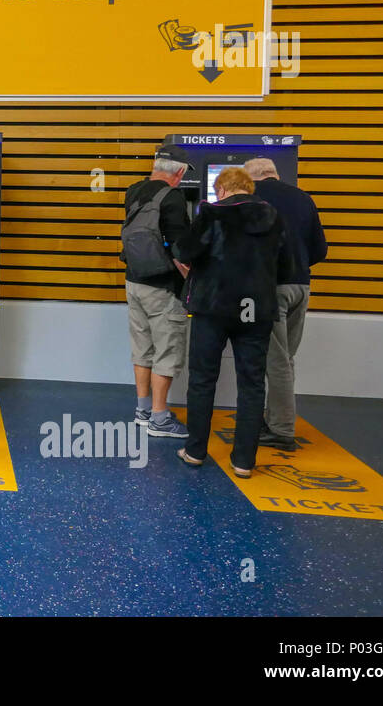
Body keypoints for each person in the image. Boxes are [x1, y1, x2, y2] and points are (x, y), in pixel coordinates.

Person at [173, 167, 294, 477]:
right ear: (248, 188)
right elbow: (286, 265)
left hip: (213, 307)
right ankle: (243, 461)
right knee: (252, 384)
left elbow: (184, 249)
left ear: (222, 189)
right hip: (254, 309)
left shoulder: (211, 213)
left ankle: (196, 450)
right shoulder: (273, 216)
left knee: (202, 379)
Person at [244, 157, 328, 451]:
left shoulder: (252, 199)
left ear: (250, 178)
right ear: (275, 174)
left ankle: (281, 429)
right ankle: (277, 418)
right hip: (301, 287)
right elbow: (321, 249)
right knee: (286, 358)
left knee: (276, 361)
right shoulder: (304, 198)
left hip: (271, 288)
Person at [121, 144, 192, 439]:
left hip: (134, 280)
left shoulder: (134, 190)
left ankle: (143, 410)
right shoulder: (174, 198)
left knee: (142, 347)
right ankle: (160, 418)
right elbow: (180, 248)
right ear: (178, 172)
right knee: (167, 349)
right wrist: (192, 276)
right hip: (162, 286)